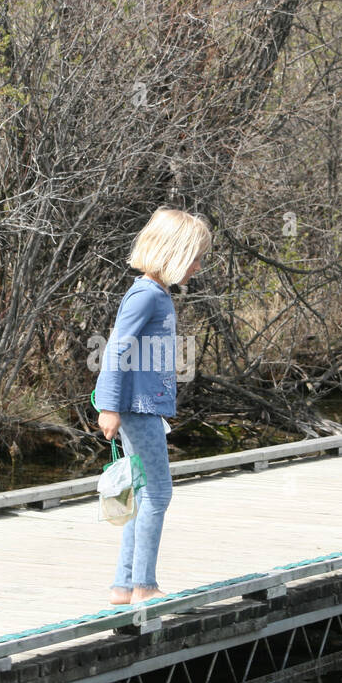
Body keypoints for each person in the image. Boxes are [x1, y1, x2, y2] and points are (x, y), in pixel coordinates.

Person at [94, 206, 212, 606]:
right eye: (195, 257)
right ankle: (144, 585)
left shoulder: (154, 293)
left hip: (145, 406)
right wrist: (109, 407)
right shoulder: (146, 294)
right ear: (174, 253)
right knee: (159, 494)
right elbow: (115, 350)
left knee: (143, 494)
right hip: (136, 408)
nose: (197, 266)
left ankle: (123, 586)